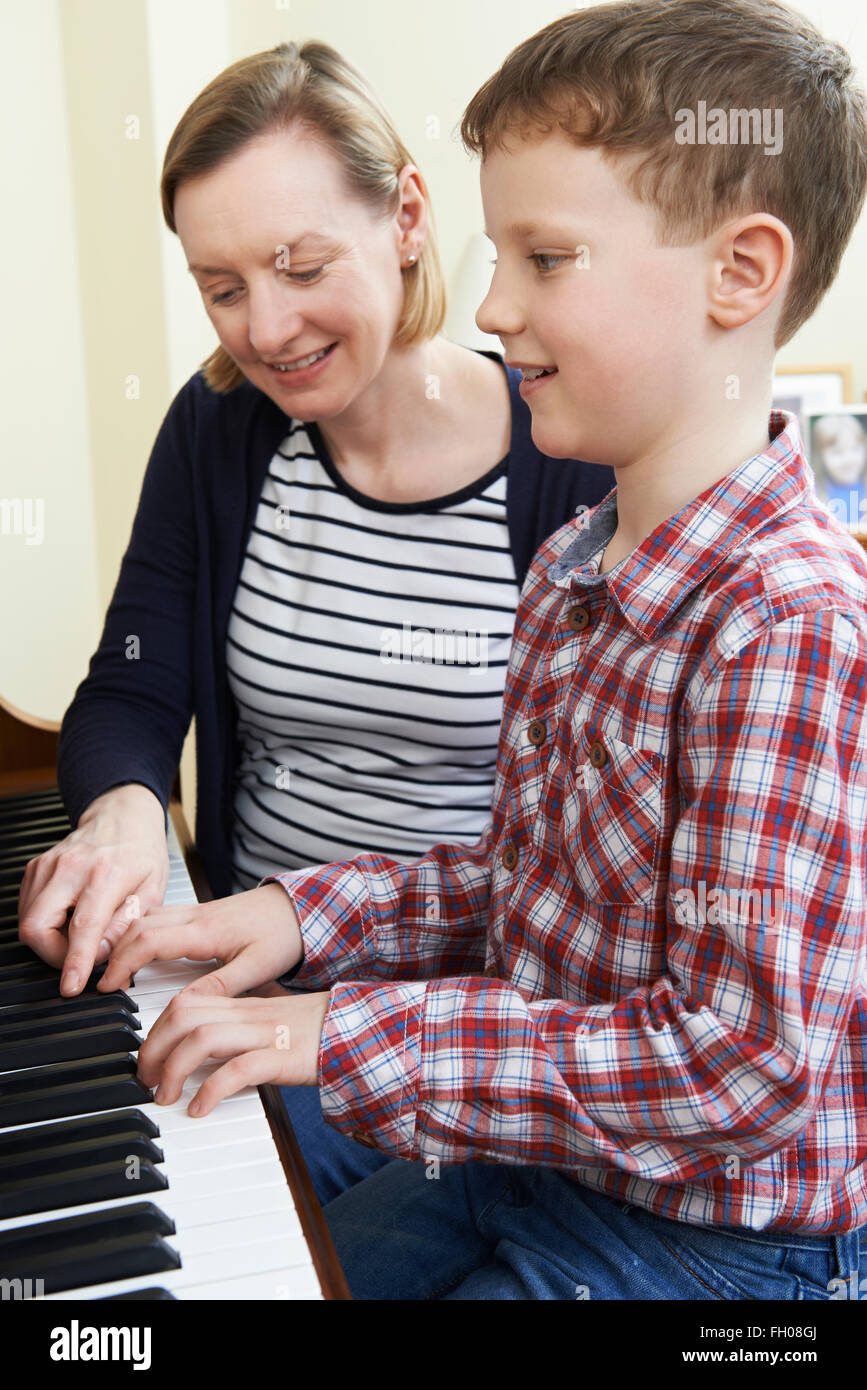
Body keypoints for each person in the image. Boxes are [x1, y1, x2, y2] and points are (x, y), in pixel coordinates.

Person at [58, 0, 867, 1301]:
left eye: (544, 257)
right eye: (502, 255)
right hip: (527, 1151)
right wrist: (293, 909)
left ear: (739, 273)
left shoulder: (789, 625)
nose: (491, 304)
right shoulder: (572, 567)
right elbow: (523, 888)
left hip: (706, 1241)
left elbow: (730, 1067)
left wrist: (338, 1027)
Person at [17, 40, 612, 995]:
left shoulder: (569, 456)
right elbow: (133, 686)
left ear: (407, 217)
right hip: (235, 979)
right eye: (222, 288)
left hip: (466, 1021)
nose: (263, 329)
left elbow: (587, 848)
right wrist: (124, 808)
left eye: (300, 269)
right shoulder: (217, 429)